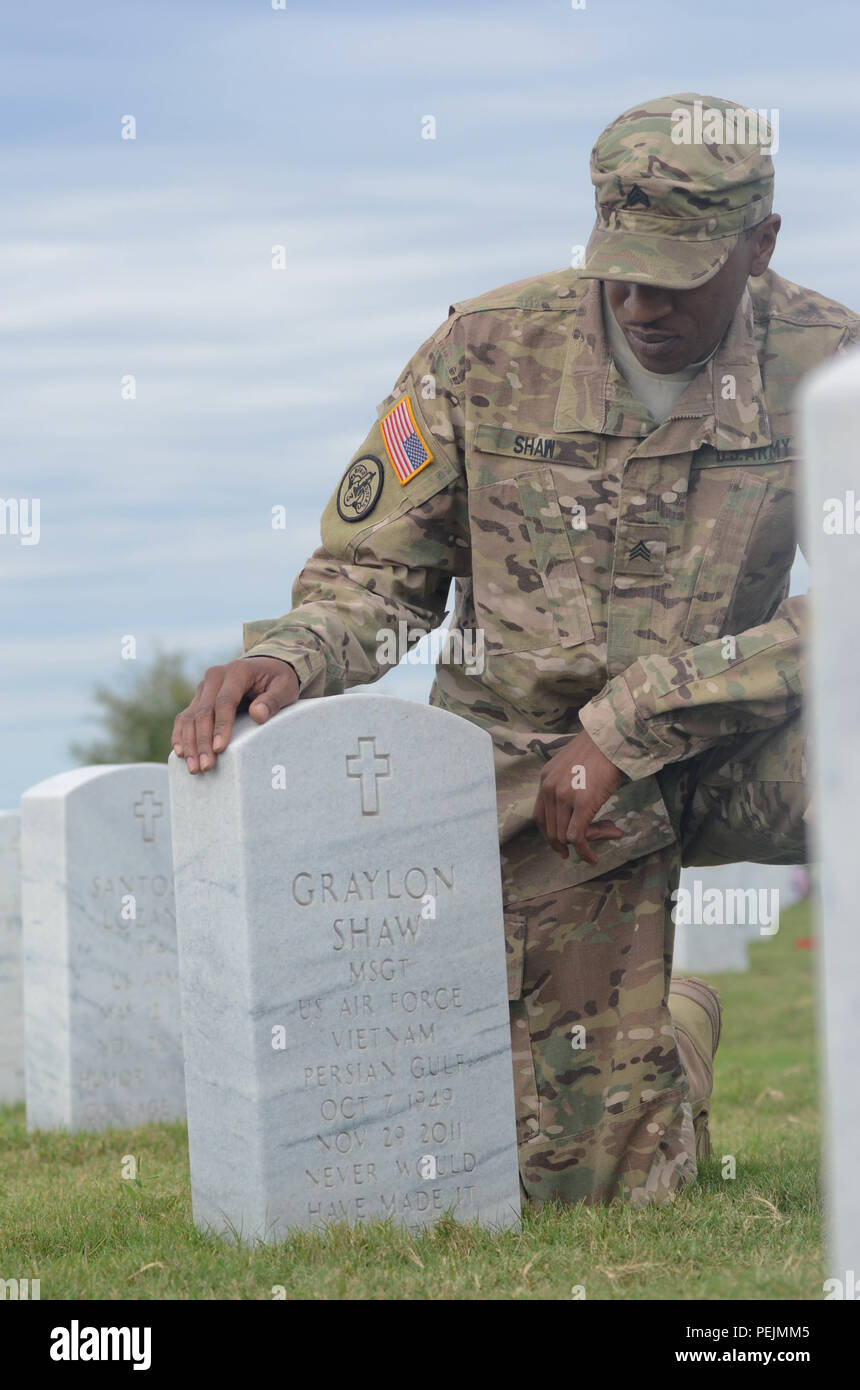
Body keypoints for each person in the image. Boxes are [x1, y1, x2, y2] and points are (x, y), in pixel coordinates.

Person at [172, 93, 859, 1207]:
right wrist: (297, 654)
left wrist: (636, 717)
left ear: (759, 245)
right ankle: (673, 1026)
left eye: (676, 277)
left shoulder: (830, 367)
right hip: (535, 784)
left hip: (721, 746)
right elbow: (380, 578)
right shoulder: (487, 352)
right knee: (583, 1187)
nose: (638, 304)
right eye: (618, 270)